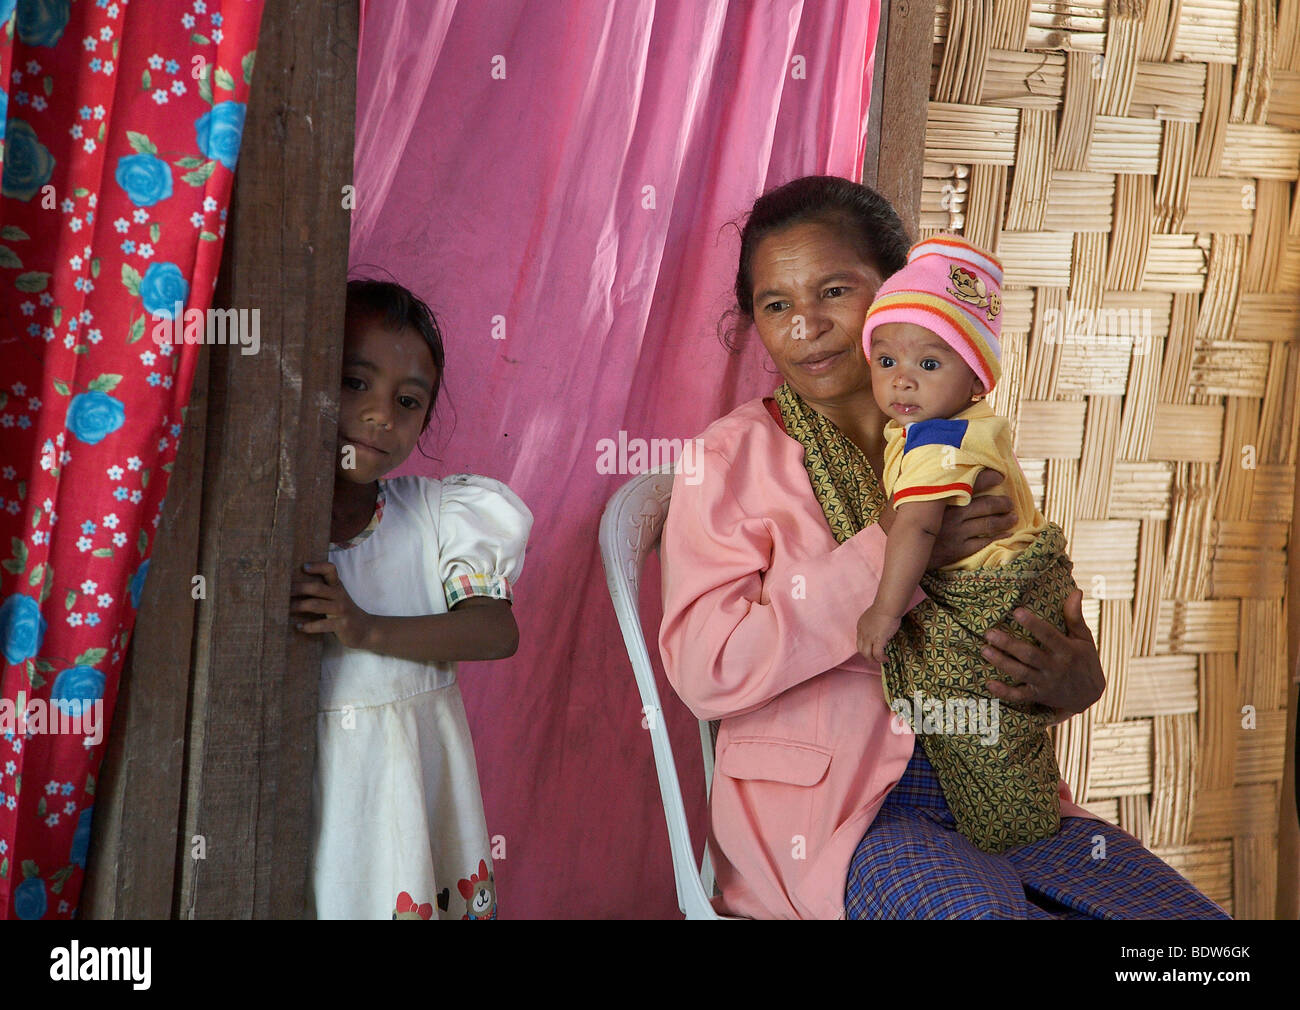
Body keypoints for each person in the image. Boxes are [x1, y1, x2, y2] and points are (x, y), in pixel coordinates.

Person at [658, 175, 1229, 920]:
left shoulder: (964, 443)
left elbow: (1009, 603)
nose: (806, 326)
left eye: (834, 291)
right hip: (846, 820)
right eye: (776, 305)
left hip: (1000, 793)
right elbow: (707, 669)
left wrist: (1074, 681)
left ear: (897, 292)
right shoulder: (732, 459)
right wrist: (890, 554)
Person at [291, 279, 532, 920]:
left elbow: (495, 632)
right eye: (354, 383)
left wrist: (365, 628)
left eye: (407, 400)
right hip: (320, 800)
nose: (380, 416)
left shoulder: (436, 517)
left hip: (410, 793)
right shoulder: (267, 523)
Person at [856, 234, 1075, 854]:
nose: (903, 381)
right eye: (886, 361)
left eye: (929, 364)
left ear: (976, 378)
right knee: (1011, 731)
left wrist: (884, 610)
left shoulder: (936, 440)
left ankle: (1008, 832)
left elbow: (918, 529)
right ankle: (1023, 826)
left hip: (994, 602)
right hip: (1033, 586)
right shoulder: (971, 426)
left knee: (983, 729)